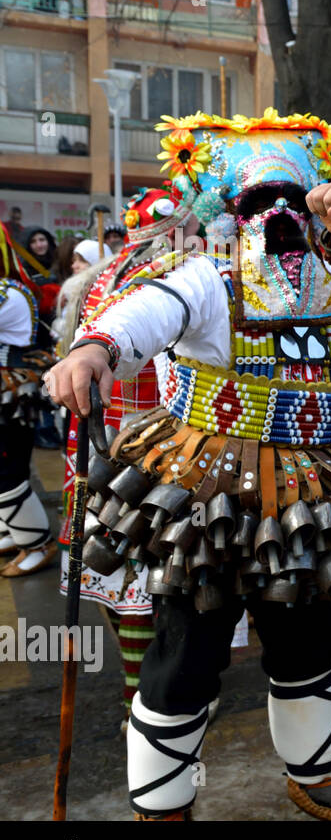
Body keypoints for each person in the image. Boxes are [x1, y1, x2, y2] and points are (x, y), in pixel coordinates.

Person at [45, 109, 331, 821]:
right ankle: (163, 801)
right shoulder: (208, 278)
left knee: (307, 640)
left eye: (292, 203)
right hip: (211, 497)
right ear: (229, 209)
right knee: (187, 649)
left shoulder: (328, 286)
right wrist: (97, 348)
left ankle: (318, 773)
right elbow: (151, 309)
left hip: (307, 495)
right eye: (255, 202)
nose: (276, 217)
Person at [55, 186, 197, 724]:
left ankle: (137, 688)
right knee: (155, 579)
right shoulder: (176, 277)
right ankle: (152, 697)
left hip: (99, 455)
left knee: (120, 572)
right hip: (158, 455)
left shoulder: (102, 279)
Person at [0, 259, 57, 577]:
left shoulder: (8, 292)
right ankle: (11, 531)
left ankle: (36, 543)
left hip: (13, 395)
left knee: (8, 468)